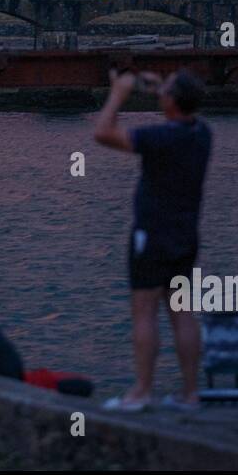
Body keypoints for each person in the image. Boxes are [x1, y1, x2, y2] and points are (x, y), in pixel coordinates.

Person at [94, 69, 211, 412]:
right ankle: (191, 394)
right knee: (182, 312)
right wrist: (160, 88)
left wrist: (118, 93)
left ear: (171, 101)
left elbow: (102, 132)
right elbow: (182, 104)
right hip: (185, 235)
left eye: (166, 89)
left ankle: (142, 391)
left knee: (144, 311)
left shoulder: (159, 137)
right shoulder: (203, 133)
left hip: (152, 235)